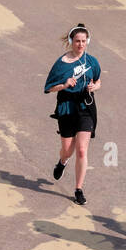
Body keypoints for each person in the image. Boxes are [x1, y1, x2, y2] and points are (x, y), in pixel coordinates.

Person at [43, 23, 102, 206]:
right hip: (66, 108)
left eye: (84, 41)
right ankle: (62, 161)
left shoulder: (92, 61)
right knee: (68, 150)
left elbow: (99, 80)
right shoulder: (61, 64)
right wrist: (65, 84)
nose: (80, 45)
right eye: (77, 41)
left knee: (82, 150)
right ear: (71, 41)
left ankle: (78, 189)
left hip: (86, 107)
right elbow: (49, 87)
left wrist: (94, 87)